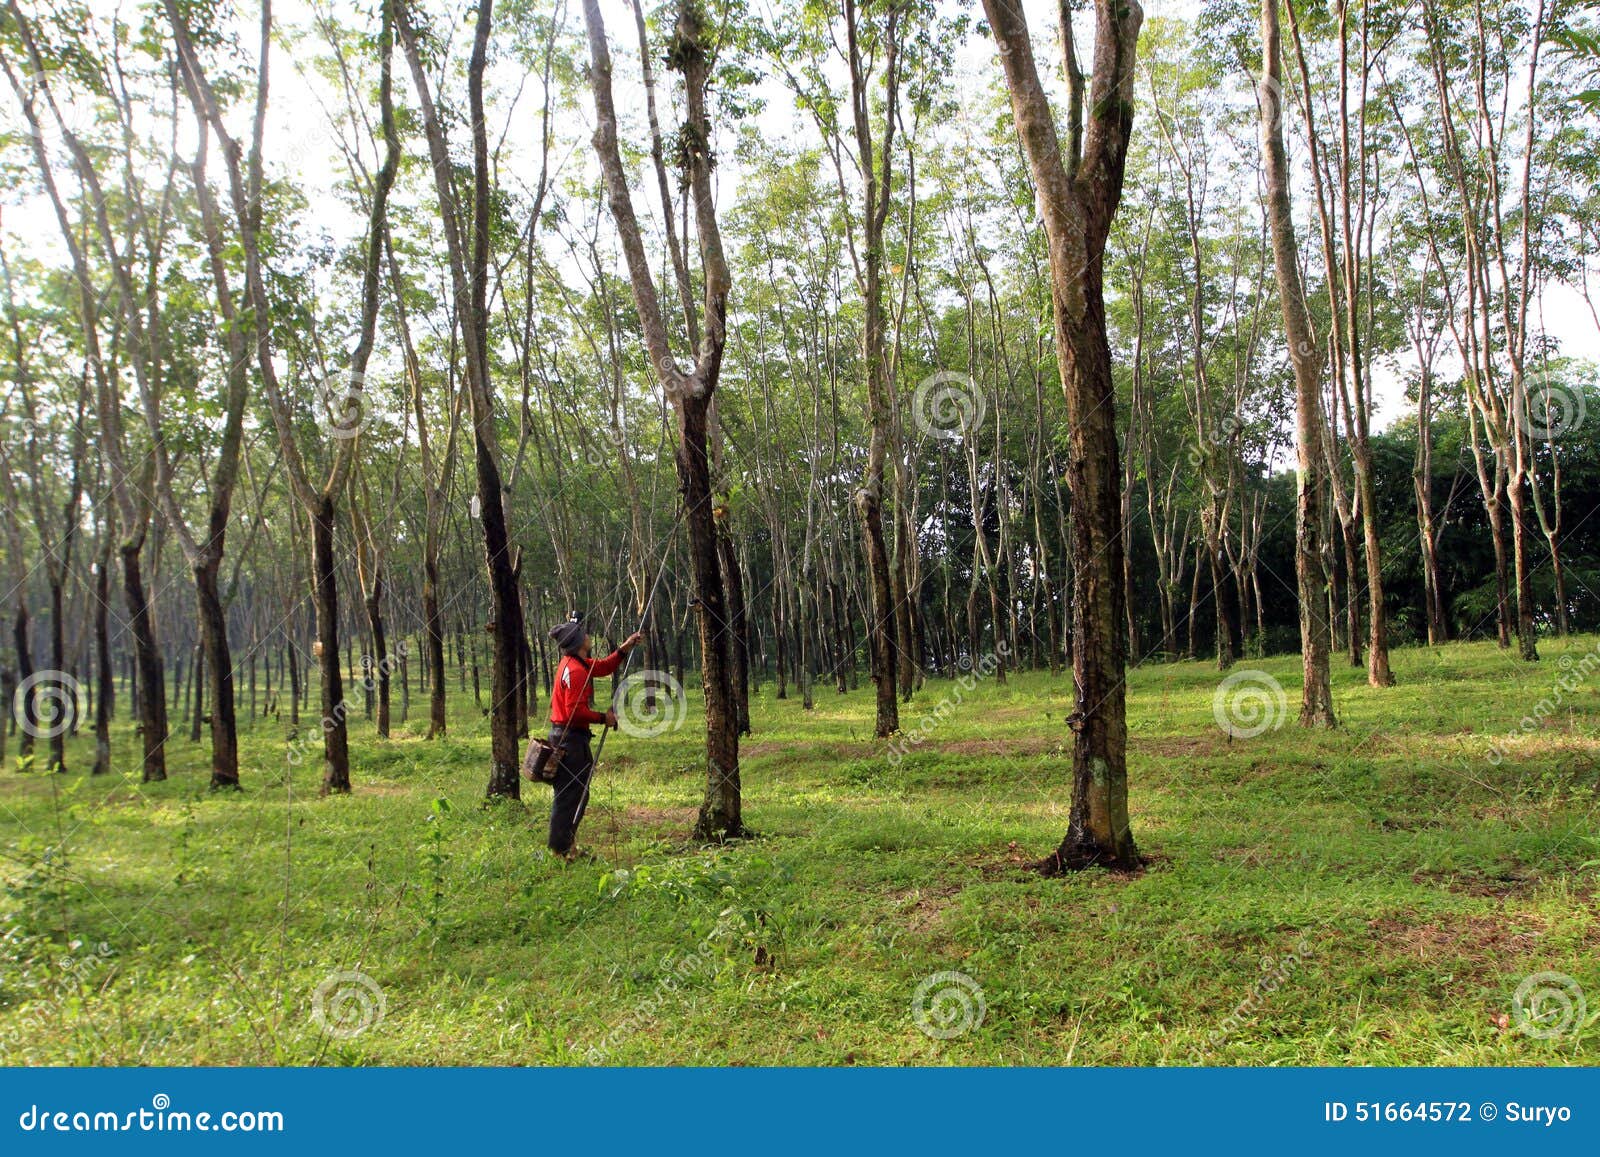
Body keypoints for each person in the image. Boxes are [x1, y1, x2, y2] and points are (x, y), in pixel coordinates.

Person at [542, 618, 642, 858]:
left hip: (568, 737)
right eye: (584, 634)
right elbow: (575, 711)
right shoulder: (576, 671)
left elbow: (604, 667)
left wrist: (625, 647)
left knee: (576, 793)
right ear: (579, 642)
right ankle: (560, 850)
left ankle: (566, 846)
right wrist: (602, 718)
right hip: (570, 741)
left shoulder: (575, 663)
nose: (588, 636)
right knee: (570, 795)